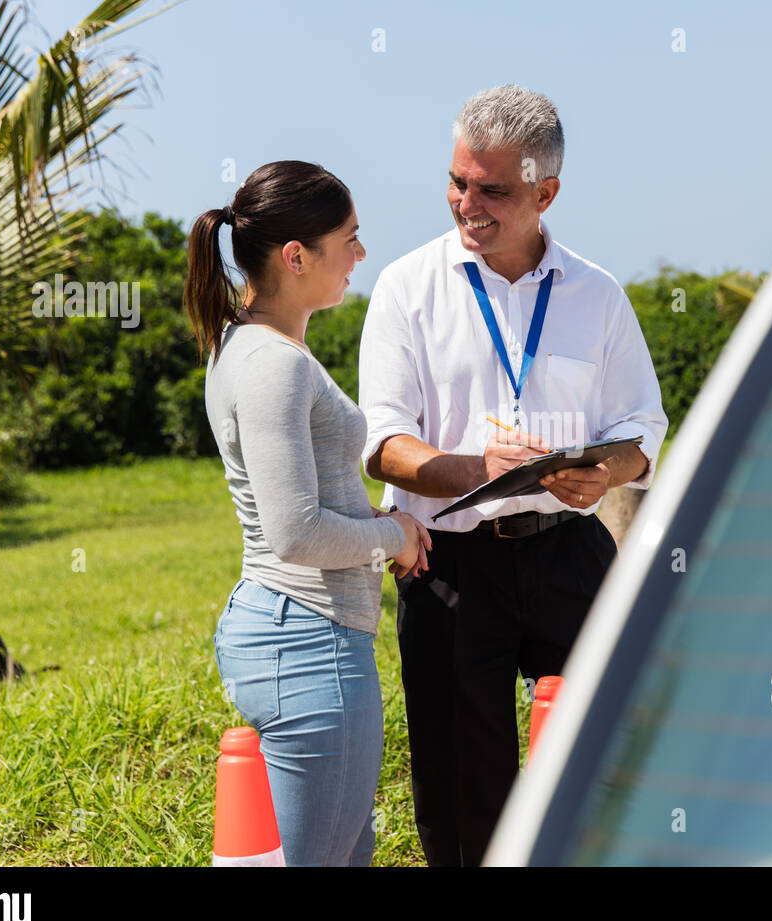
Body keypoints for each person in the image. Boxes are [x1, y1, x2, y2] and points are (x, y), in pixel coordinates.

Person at [359, 85, 669, 866]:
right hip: (450, 566)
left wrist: (604, 471)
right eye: (458, 181)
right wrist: (474, 469)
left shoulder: (597, 296)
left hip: (569, 550)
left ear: (546, 192)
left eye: (492, 189)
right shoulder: (405, 288)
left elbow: (643, 431)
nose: (468, 204)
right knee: (466, 783)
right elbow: (383, 445)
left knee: (613, 746)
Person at [185, 160, 432, 866]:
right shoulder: (273, 362)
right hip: (308, 642)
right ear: (297, 257)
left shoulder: (250, 344)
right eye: (349, 239)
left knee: (343, 853)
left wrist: (380, 520)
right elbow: (294, 530)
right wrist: (393, 534)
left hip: (295, 635)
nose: (361, 255)